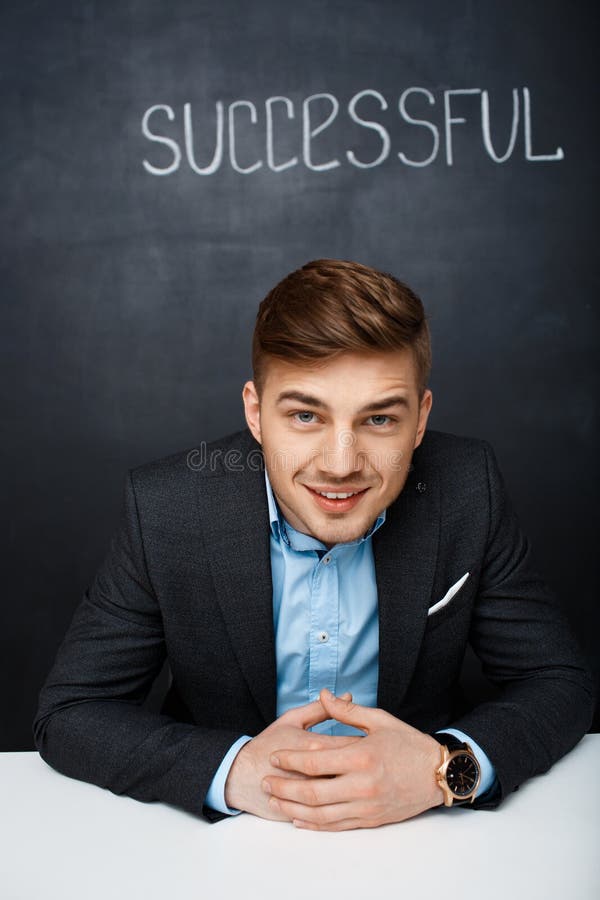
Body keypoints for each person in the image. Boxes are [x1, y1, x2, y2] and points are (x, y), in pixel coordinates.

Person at [34, 259, 594, 831]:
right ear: (255, 412)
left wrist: (442, 767)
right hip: (226, 847)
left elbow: (558, 682)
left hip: (420, 837)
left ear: (420, 421)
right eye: (305, 415)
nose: (340, 465)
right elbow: (72, 713)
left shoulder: (469, 488)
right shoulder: (166, 509)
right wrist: (234, 772)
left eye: (379, 420)